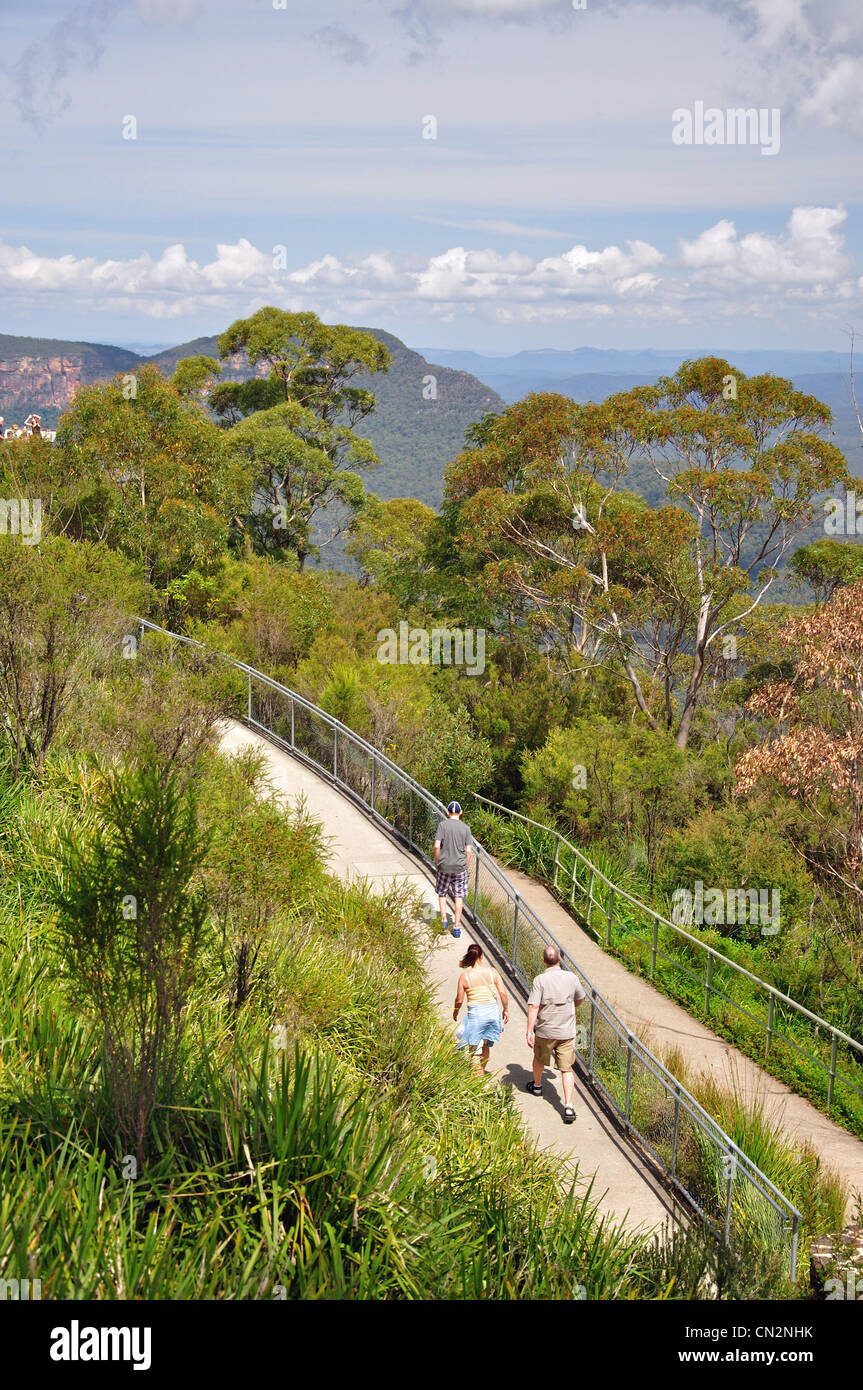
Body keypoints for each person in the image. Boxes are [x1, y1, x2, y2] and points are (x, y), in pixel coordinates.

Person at [525, 944, 586, 1124]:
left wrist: (530, 1030)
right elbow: (580, 998)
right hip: (566, 1030)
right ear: (560, 959)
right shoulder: (572, 978)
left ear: (543, 960)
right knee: (566, 1068)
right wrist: (570, 1007)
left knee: (539, 1058)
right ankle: (568, 1106)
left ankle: (537, 1086)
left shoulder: (540, 980)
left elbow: (534, 1006)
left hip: (545, 1029)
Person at [453, 942, 509, 1074]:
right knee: (485, 1045)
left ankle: (477, 1082)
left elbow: (459, 1000)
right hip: (492, 1012)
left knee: (475, 1049)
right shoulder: (492, 972)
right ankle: (482, 1072)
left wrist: (455, 1011)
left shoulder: (465, 977)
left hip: (477, 1014)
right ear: (482, 956)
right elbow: (503, 993)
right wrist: (506, 1009)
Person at [434, 800, 474, 935]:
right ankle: (456, 927)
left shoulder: (442, 825)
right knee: (458, 896)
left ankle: (444, 921)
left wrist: (437, 860)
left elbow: (436, 845)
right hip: (460, 867)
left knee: (442, 893)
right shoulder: (466, 828)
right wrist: (466, 865)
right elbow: (468, 851)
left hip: (444, 865)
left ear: (447, 812)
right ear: (461, 812)